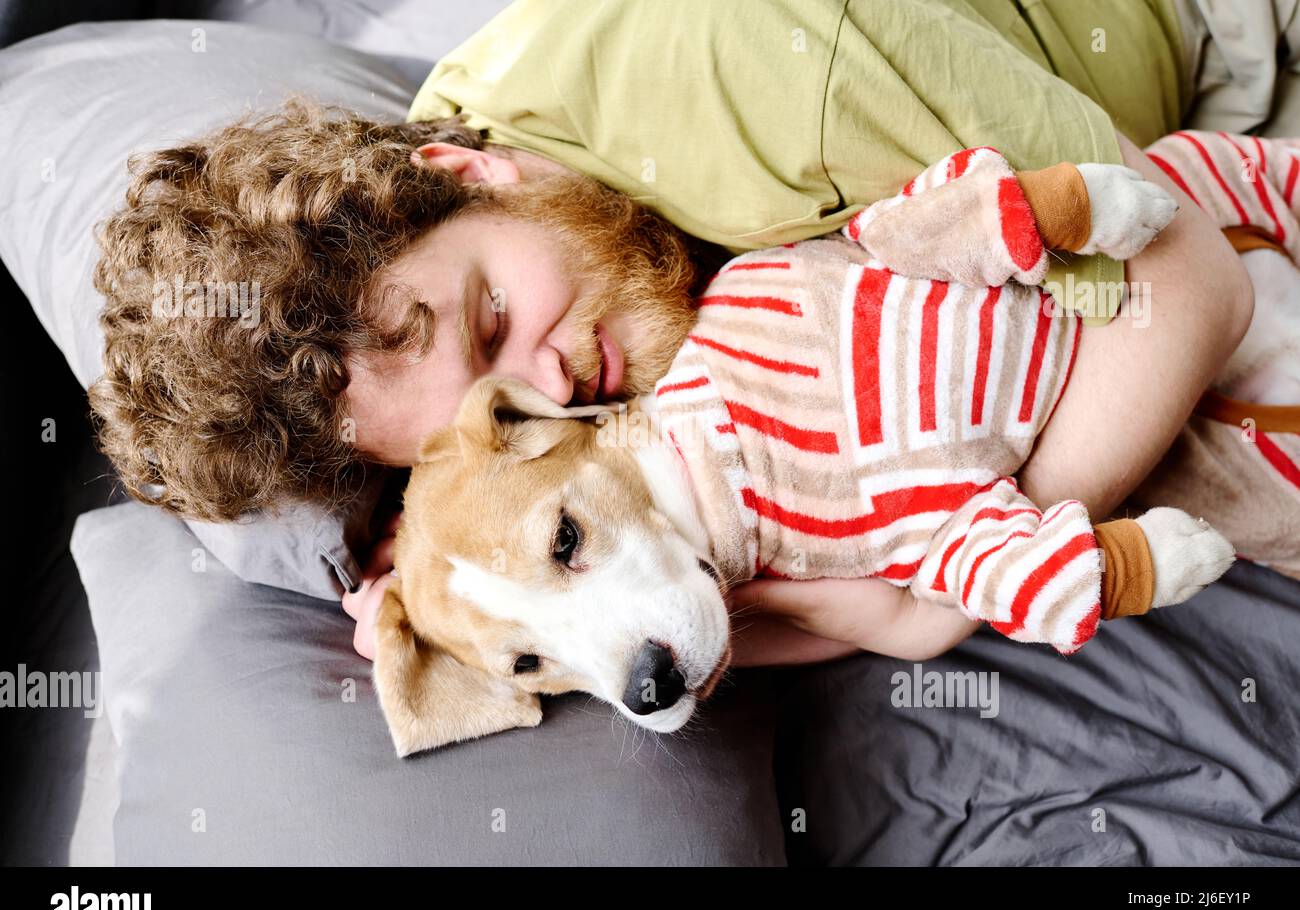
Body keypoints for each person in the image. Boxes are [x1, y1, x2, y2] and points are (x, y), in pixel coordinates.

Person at [90, 0, 1262, 668]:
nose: (549, 383)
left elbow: (1192, 275)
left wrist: (956, 585)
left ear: (462, 169)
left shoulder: (774, 74)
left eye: (495, 315)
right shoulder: (453, 262)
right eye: (485, 405)